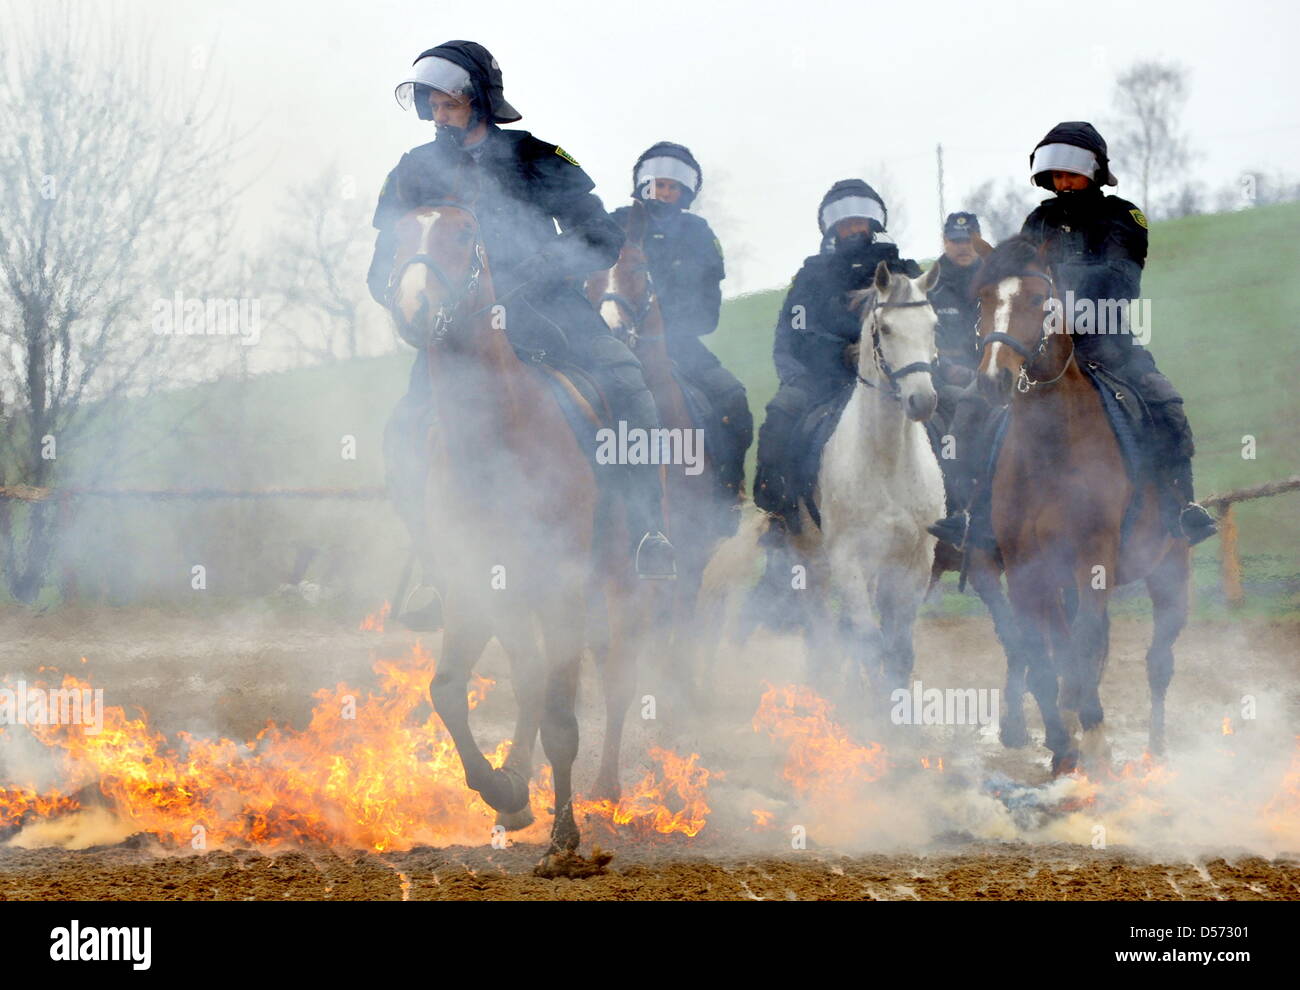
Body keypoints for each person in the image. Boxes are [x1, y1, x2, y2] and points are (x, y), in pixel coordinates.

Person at [368, 41, 676, 628]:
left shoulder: (538, 157)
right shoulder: (411, 171)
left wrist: (541, 269)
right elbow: (382, 260)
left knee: (628, 385)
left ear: (480, 98)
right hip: (453, 333)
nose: (436, 111)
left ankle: (646, 535)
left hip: (548, 312)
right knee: (404, 429)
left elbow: (599, 236)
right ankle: (435, 567)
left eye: (447, 99)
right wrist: (401, 297)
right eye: (429, 102)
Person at [927, 121, 1216, 549]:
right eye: (1056, 174)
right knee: (972, 403)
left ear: (1095, 171)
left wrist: (1055, 284)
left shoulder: (1123, 217)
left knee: (1164, 402)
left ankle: (1181, 506)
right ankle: (972, 512)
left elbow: (1122, 278)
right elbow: (1013, 276)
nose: (1064, 182)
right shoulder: (1038, 220)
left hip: (1106, 342)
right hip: (1040, 347)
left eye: (1072, 173)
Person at [753, 179, 921, 526]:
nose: (853, 228)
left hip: (896, 381)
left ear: (874, 224)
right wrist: (837, 356)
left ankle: (963, 513)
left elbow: (924, 326)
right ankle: (778, 515)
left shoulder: (903, 271)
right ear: (831, 227)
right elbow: (791, 335)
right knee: (780, 416)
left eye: (859, 220)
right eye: (844, 222)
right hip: (823, 381)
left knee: (950, 413)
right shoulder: (810, 277)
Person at [611, 142, 753, 508]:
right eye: (658, 184)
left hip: (679, 344)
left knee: (733, 399)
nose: (665, 192)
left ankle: (729, 489)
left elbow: (708, 309)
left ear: (686, 192)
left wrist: (664, 325)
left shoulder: (700, 234)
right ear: (643, 184)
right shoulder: (614, 223)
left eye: (673, 186)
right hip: (610, 340)